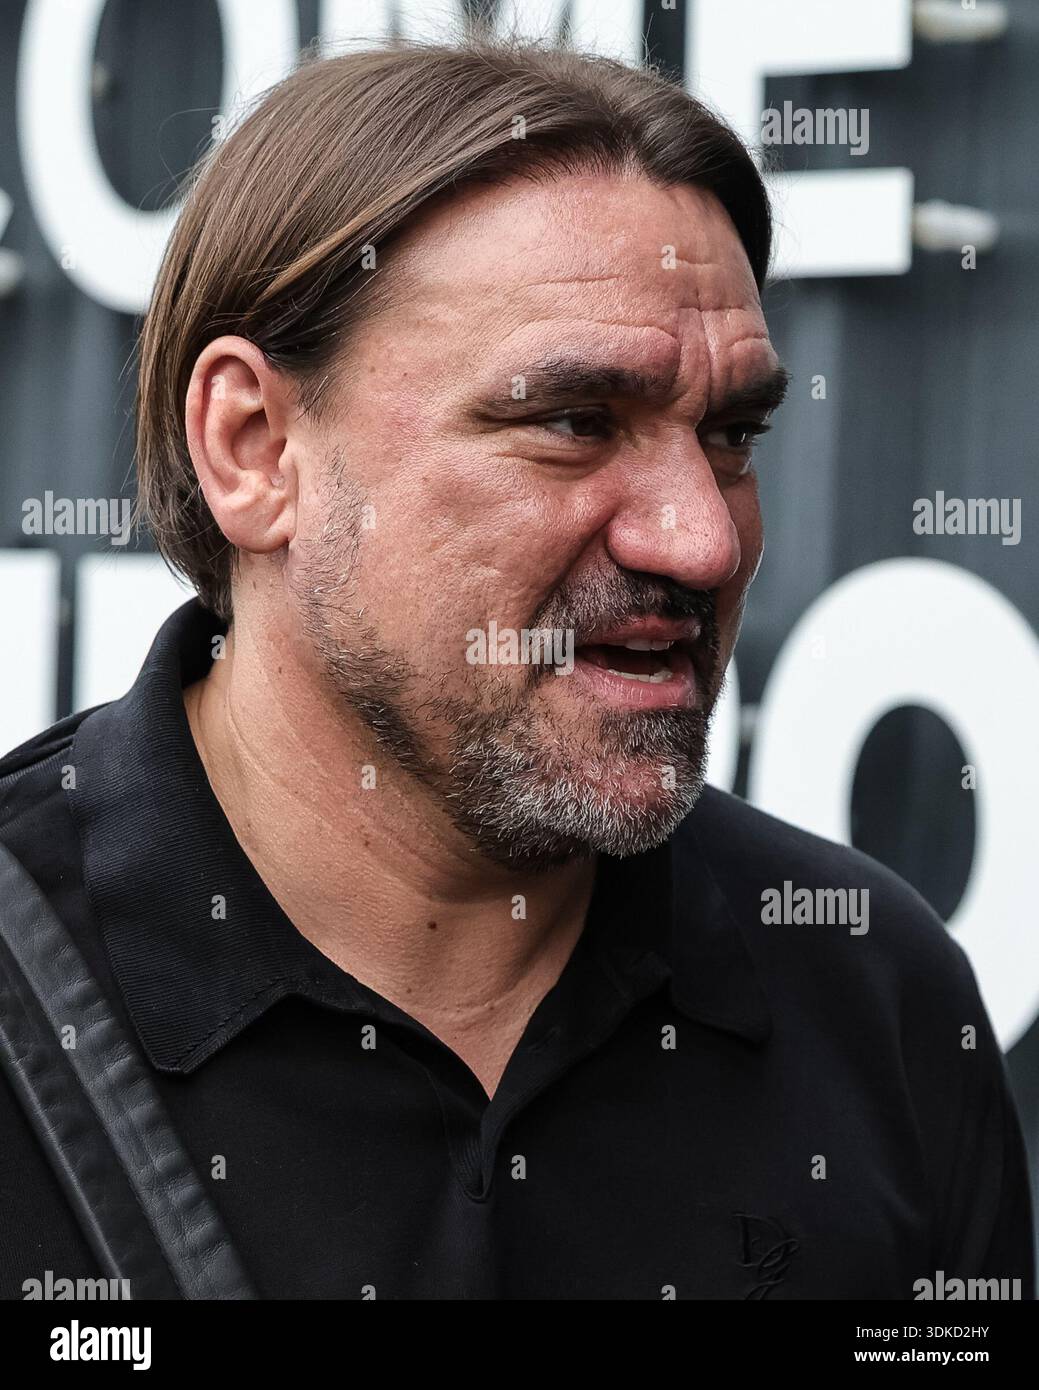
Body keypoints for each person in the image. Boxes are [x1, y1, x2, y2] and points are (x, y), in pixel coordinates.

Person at [0, 36, 1032, 1300]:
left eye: (731, 432)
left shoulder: (876, 1004)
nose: (701, 538)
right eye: (570, 421)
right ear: (256, 446)